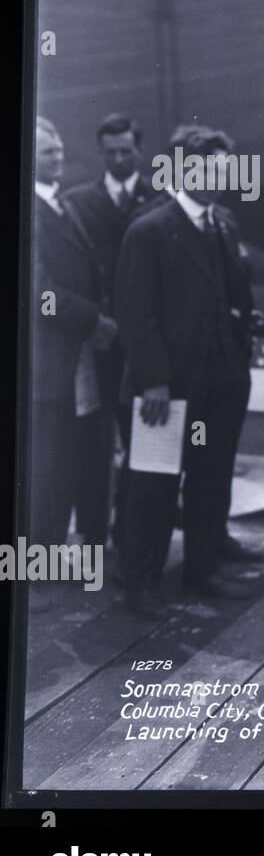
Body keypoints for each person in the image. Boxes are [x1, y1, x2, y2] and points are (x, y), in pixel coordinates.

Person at [114, 126, 259, 616]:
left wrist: (239, 343)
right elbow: (134, 311)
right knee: (153, 485)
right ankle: (141, 585)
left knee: (210, 475)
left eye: (225, 168)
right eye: (210, 168)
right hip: (167, 388)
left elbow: (232, 292)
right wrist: (153, 379)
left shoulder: (222, 223)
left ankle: (202, 570)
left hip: (220, 380)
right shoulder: (150, 227)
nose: (221, 177)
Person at [63, 114, 164, 554]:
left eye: (127, 150)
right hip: (98, 340)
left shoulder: (161, 200)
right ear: (100, 152)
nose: (119, 158)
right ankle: (92, 535)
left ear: (139, 151)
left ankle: (134, 532)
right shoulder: (75, 202)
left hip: (146, 341)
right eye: (111, 152)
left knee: (147, 438)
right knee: (92, 439)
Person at [30, 117, 116, 603]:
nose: (57, 155)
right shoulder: (31, 211)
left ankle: (80, 559)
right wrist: (93, 319)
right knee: (48, 469)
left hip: (80, 360)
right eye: (46, 150)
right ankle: (37, 577)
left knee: (82, 461)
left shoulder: (63, 205)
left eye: (59, 146)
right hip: (51, 365)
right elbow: (39, 293)